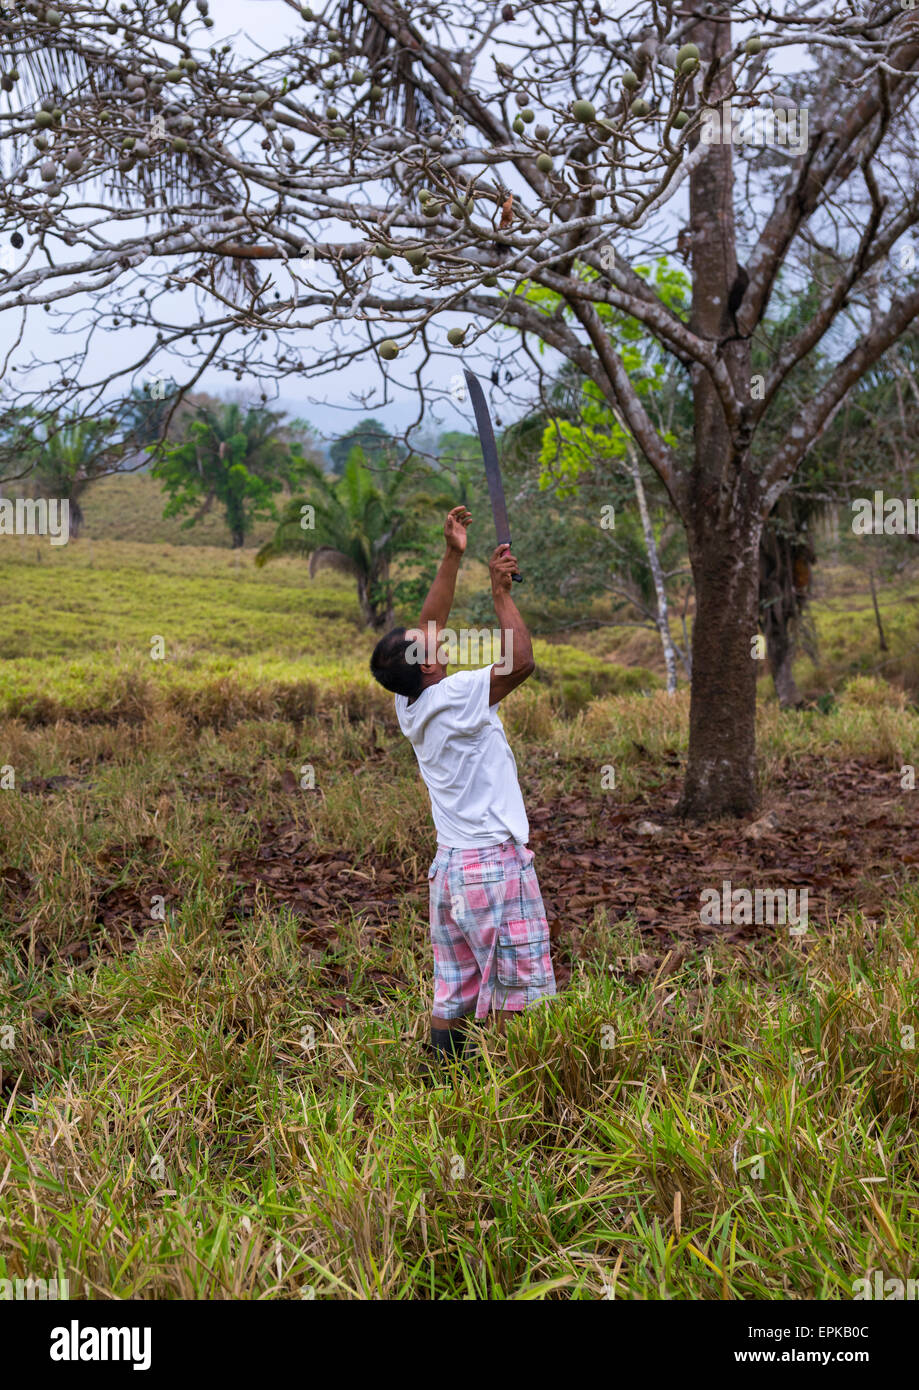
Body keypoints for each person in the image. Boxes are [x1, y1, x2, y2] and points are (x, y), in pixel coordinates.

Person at [369, 506, 556, 1069]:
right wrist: (500, 592)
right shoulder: (454, 699)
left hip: (450, 870)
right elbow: (520, 661)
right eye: (424, 641)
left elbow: (429, 621)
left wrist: (454, 553)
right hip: (493, 868)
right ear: (424, 663)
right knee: (516, 997)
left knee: (454, 989)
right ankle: (506, 1099)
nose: (433, 634)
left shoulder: (411, 702)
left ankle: (442, 1090)